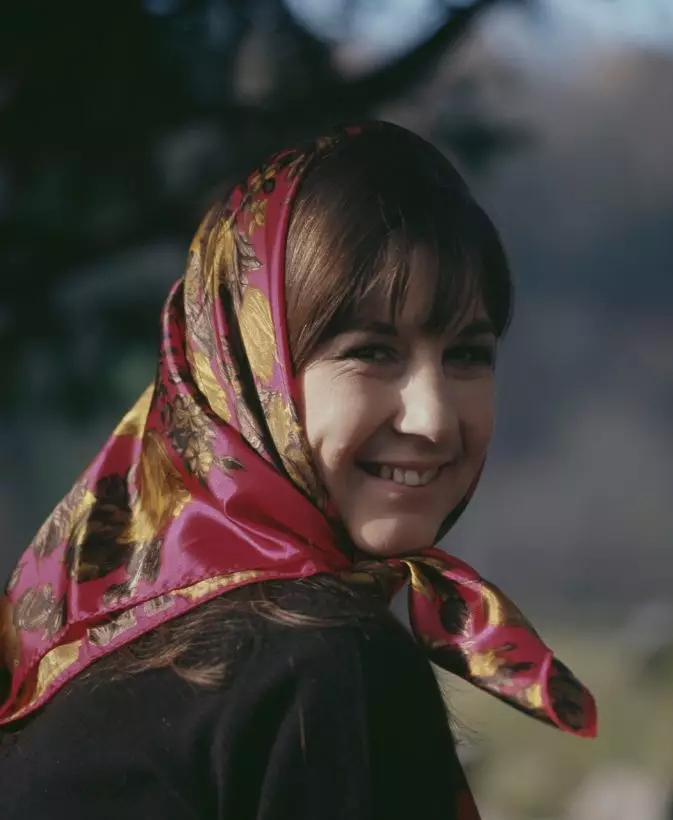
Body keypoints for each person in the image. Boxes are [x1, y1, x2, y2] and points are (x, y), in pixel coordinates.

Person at [0, 121, 596, 818]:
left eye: (468, 355)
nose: (433, 419)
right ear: (248, 376)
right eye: (372, 352)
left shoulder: (103, 655)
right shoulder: (325, 665)